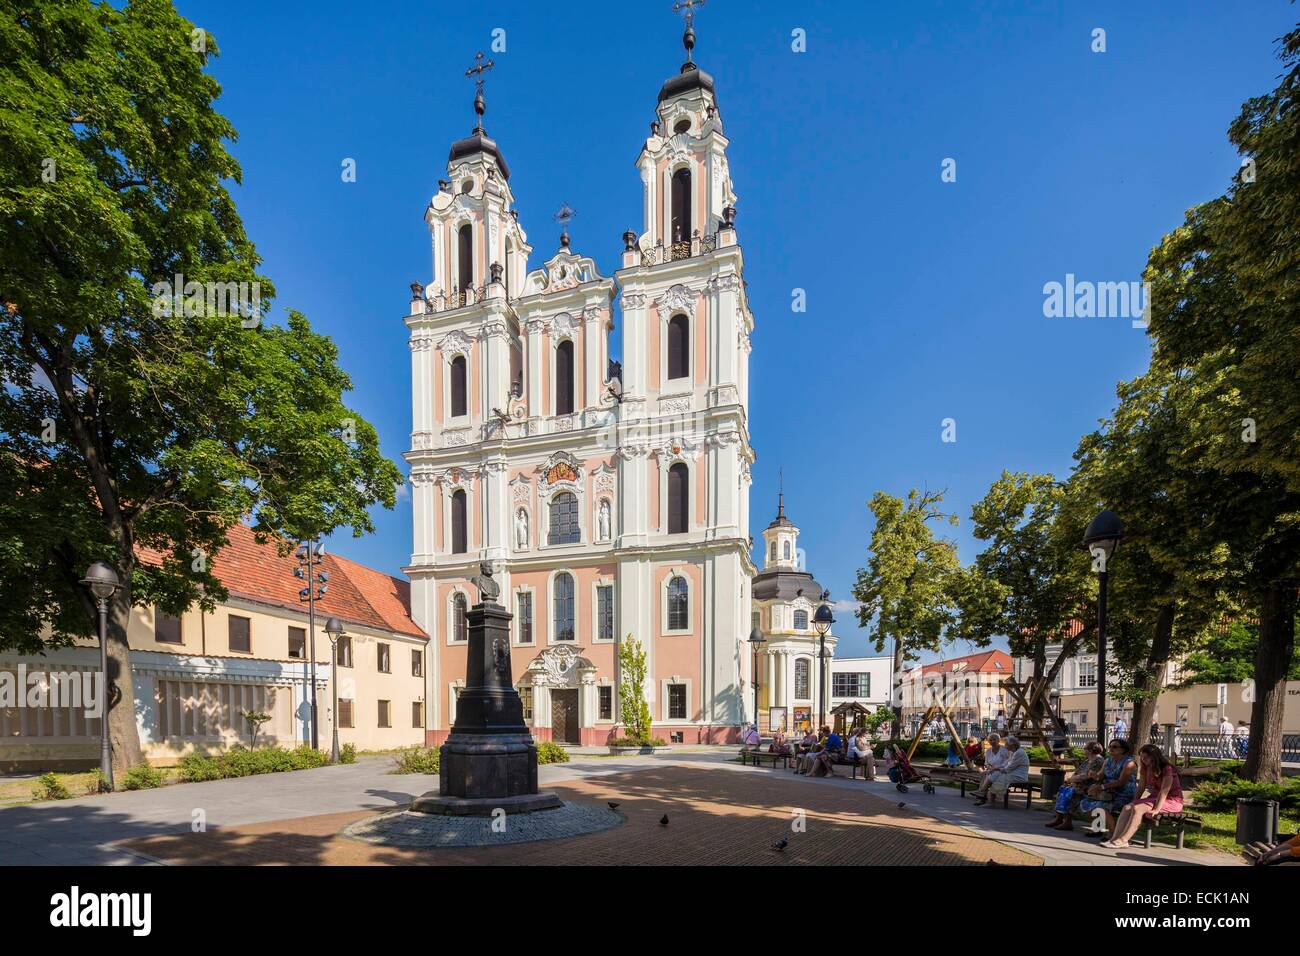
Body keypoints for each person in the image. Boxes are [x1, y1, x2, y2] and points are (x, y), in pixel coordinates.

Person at [1102, 743, 1185, 849]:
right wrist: (1133, 802)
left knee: (1138, 809)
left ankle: (1123, 840)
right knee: (1127, 807)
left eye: (1146, 757)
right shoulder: (1145, 768)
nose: (1143, 760)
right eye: (1141, 757)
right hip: (1154, 798)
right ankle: (1114, 838)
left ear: (1154, 756)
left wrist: (1156, 809)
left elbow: (1164, 791)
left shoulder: (1167, 768)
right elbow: (1141, 787)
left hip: (1172, 801)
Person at [1079, 738, 1138, 838]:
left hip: (1123, 794)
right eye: (1110, 746)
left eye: (1114, 747)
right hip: (1108, 791)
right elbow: (1100, 776)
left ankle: (1114, 834)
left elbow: (1121, 782)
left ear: (1123, 749)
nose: (1111, 749)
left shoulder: (1129, 763)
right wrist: (1094, 775)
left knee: (1102, 806)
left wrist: (1101, 787)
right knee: (1086, 802)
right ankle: (1098, 829)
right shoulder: (1108, 761)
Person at [1045, 741, 1104, 830]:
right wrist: (1071, 780)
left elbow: (1087, 776)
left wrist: (1072, 780)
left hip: (1090, 785)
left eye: (1085, 748)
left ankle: (1068, 821)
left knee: (1072, 792)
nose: (1083, 750)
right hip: (1080, 783)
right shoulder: (1088, 760)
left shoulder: (1098, 760)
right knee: (1063, 789)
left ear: (1091, 750)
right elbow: (1078, 772)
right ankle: (1059, 818)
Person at [973, 735, 1029, 806]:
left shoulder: (1019, 753)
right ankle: (983, 794)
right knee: (991, 774)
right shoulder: (1013, 752)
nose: (1005, 746)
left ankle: (983, 794)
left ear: (1012, 745)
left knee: (995, 776)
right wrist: (995, 768)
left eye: (1006, 744)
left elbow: (1009, 767)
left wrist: (996, 769)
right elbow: (1006, 763)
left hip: (1019, 776)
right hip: (1012, 773)